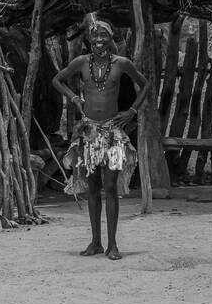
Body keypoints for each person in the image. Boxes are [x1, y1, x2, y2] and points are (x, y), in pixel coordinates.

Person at [52, 19, 150, 260]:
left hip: (113, 134)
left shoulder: (121, 64)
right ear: (89, 40)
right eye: (95, 36)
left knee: (110, 187)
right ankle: (95, 242)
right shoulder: (81, 63)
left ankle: (113, 245)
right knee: (93, 188)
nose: (99, 40)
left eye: (104, 36)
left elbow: (146, 84)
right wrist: (74, 98)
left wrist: (132, 111)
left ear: (111, 38)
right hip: (89, 134)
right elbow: (58, 79)